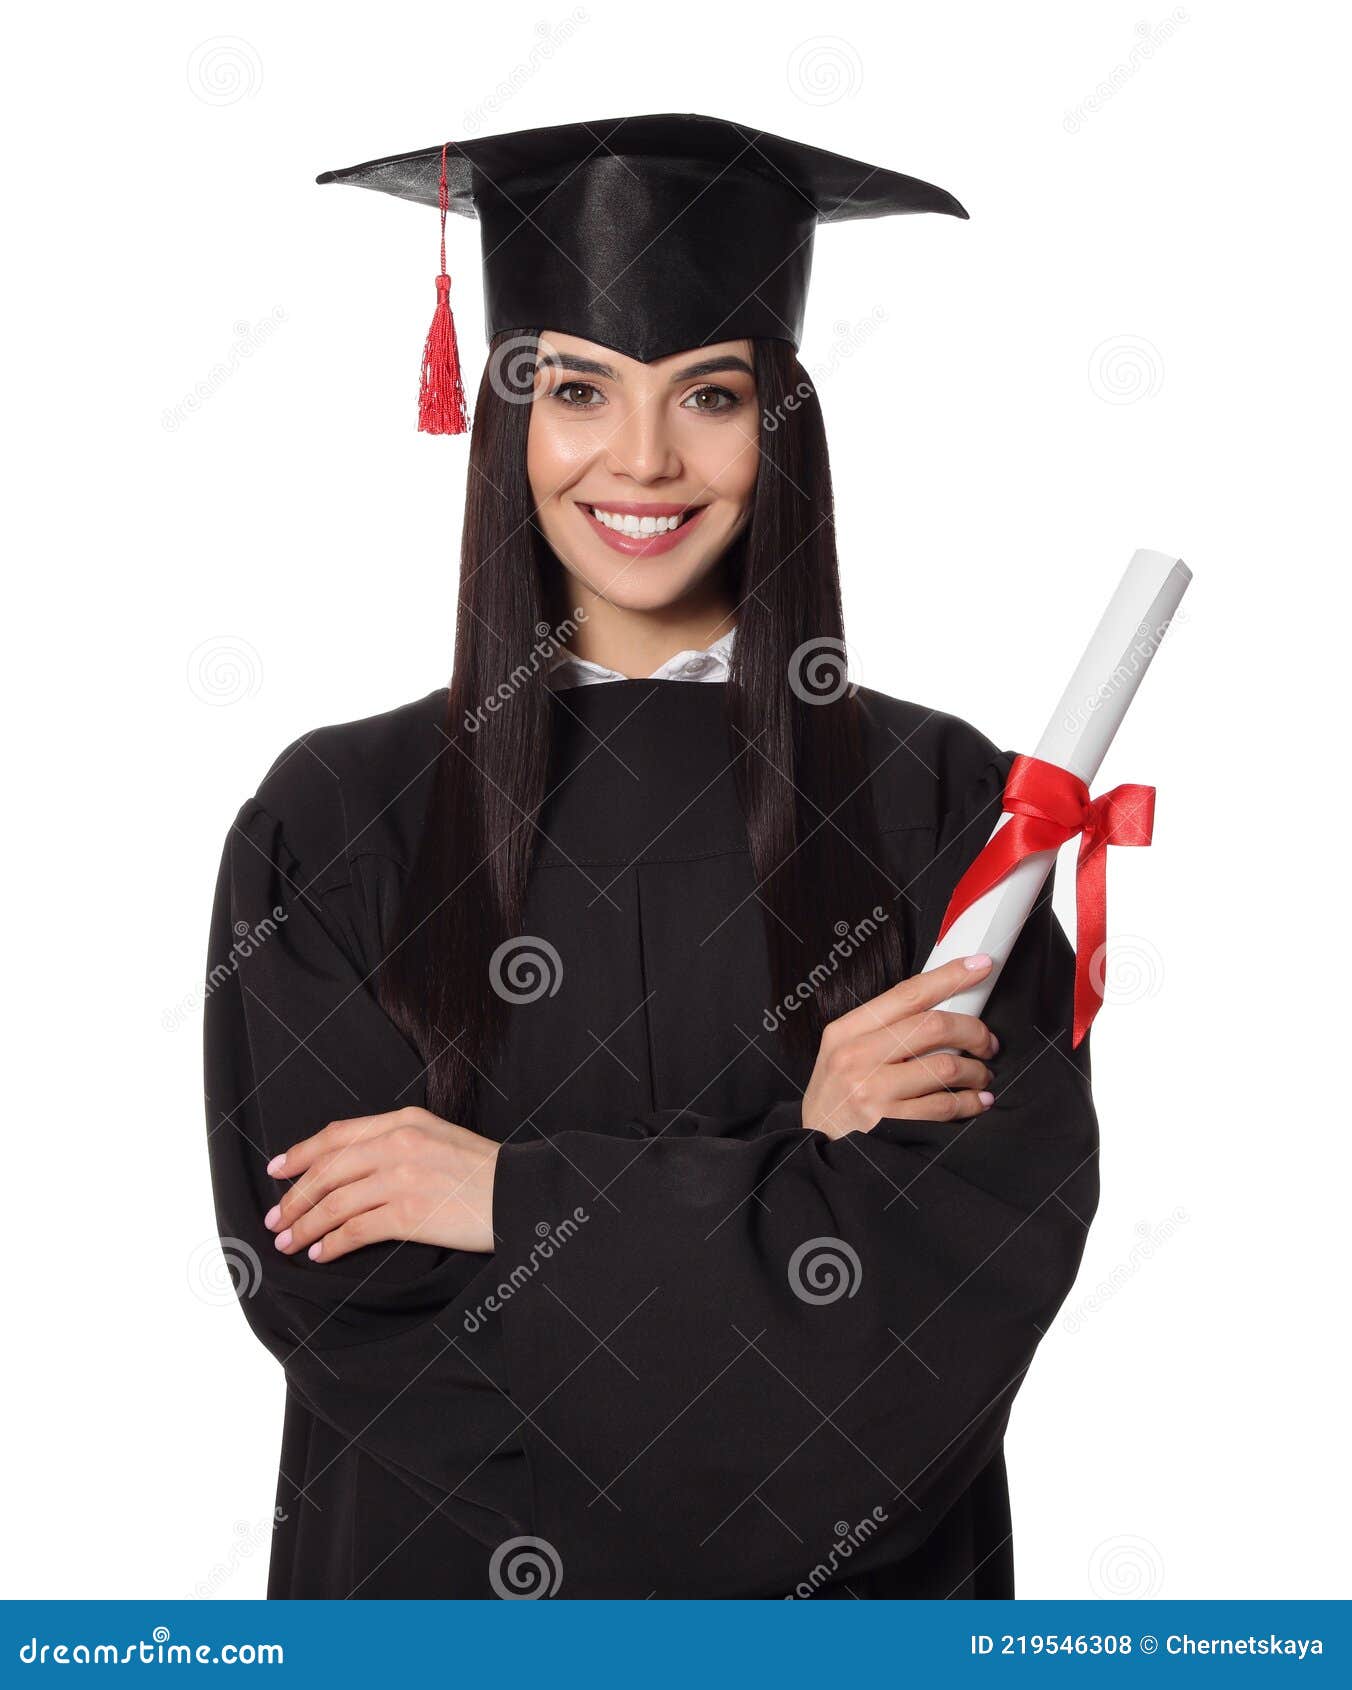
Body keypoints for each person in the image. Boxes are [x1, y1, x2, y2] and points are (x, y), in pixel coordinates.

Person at [203, 114, 1099, 1600]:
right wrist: (790, 1179)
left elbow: (946, 1309)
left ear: (782, 423)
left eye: (711, 395)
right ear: (507, 415)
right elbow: (343, 1301)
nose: (641, 458)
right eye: (578, 389)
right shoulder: (337, 816)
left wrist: (508, 1199)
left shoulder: (945, 807)